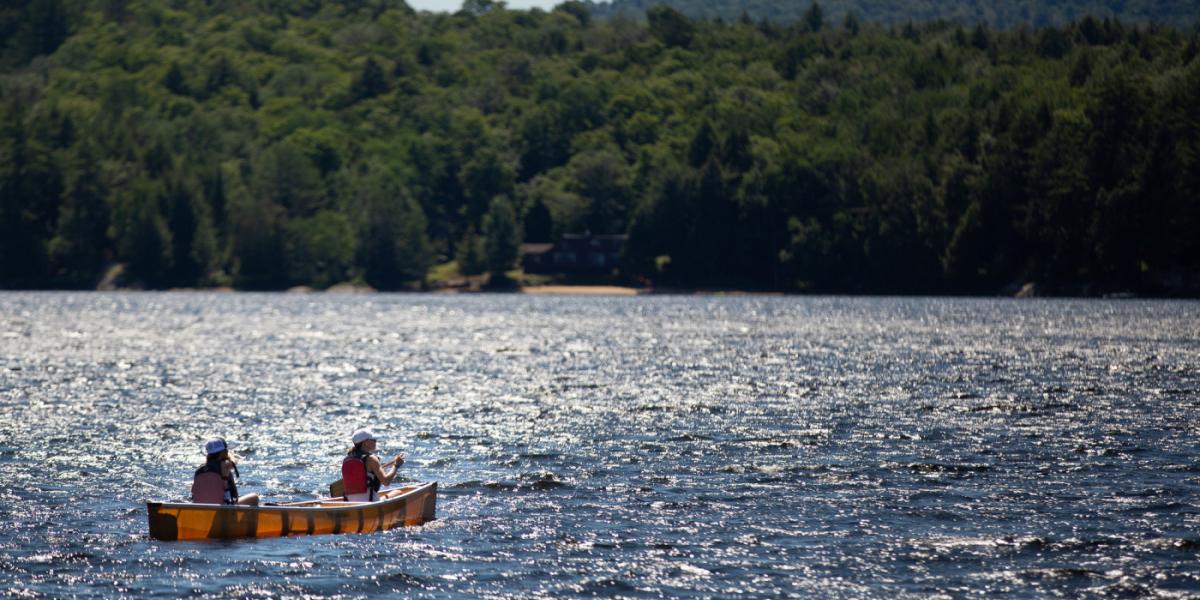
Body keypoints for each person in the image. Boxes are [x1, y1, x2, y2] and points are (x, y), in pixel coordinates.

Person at [192, 437, 259, 506]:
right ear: (225, 452)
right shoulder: (225, 469)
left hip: (200, 510)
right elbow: (234, 497)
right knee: (254, 498)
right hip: (221, 511)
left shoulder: (199, 471)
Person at [342, 428, 404, 502]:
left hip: (350, 503)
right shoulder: (371, 459)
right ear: (365, 443)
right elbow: (386, 481)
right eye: (374, 440)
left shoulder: (346, 460)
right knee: (398, 492)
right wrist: (396, 465)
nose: (376, 442)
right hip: (370, 502)